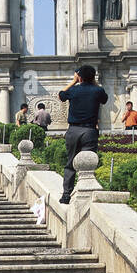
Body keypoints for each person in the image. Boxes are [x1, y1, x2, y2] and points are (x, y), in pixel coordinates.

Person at [57, 65, 108, 203]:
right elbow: (104, 98)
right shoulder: (98, 90)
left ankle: (66, 194)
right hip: (90, 131)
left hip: (73, 130)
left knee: (70, 163)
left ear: (79, 76)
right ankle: (85, 192)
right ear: (93, 77)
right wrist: (93, 82)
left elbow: (61, 95)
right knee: (88, 162)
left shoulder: (74, 90)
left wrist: (74, 81)